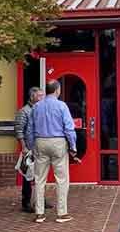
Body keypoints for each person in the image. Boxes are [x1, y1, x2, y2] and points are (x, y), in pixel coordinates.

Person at [25, 80, 77, 224]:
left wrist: (31, 146)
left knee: (39, 179)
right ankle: (62, 213)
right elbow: (69, 129)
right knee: (61, 179)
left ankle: (40, 213)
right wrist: (73, 147)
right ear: (57, 90)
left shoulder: (36, 107)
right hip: (58, 142)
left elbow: (29, 129)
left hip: (40, 141)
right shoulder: (62, 106)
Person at [14, 86, 44, 213]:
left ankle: (40, 200)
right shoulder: (24, 111)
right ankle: (26, 202)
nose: (42, 98)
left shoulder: (41, 110)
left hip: (40, 147)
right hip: (29, 148)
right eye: (39, 96)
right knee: (28, 176)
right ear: (32, 97)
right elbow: (19, 130)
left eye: (43, 96)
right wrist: (24, 147)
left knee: (40, 175)